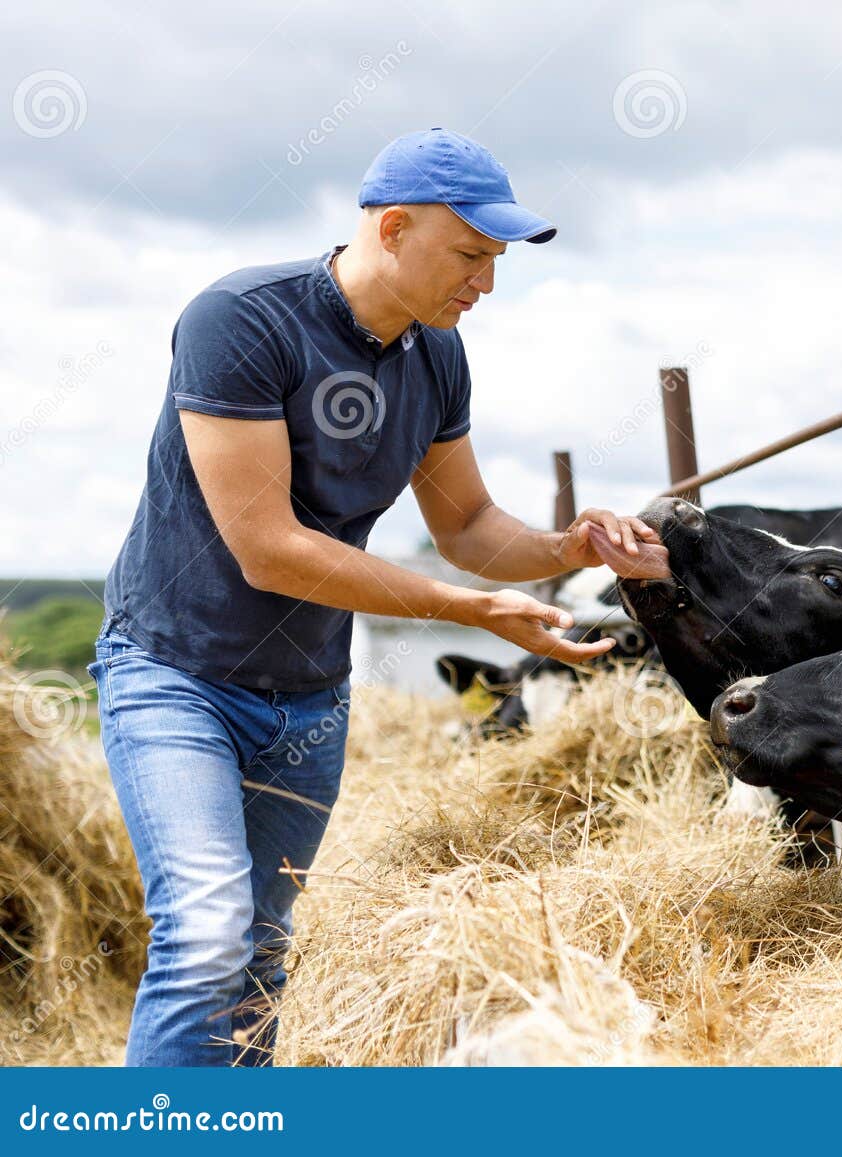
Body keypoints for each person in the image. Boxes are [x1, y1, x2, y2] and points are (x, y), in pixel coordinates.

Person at [89, 128, 658, 1066]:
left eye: (497, 261)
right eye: (471, 255)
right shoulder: (240, 320)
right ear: (394, 227)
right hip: (175, 674)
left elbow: (469, 524)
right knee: (207, 933)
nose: (485, 284)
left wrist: (569, 544)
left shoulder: (437, 356)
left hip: (307, 694)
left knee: (262, 950)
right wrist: (468, 610)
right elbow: (268, 549)